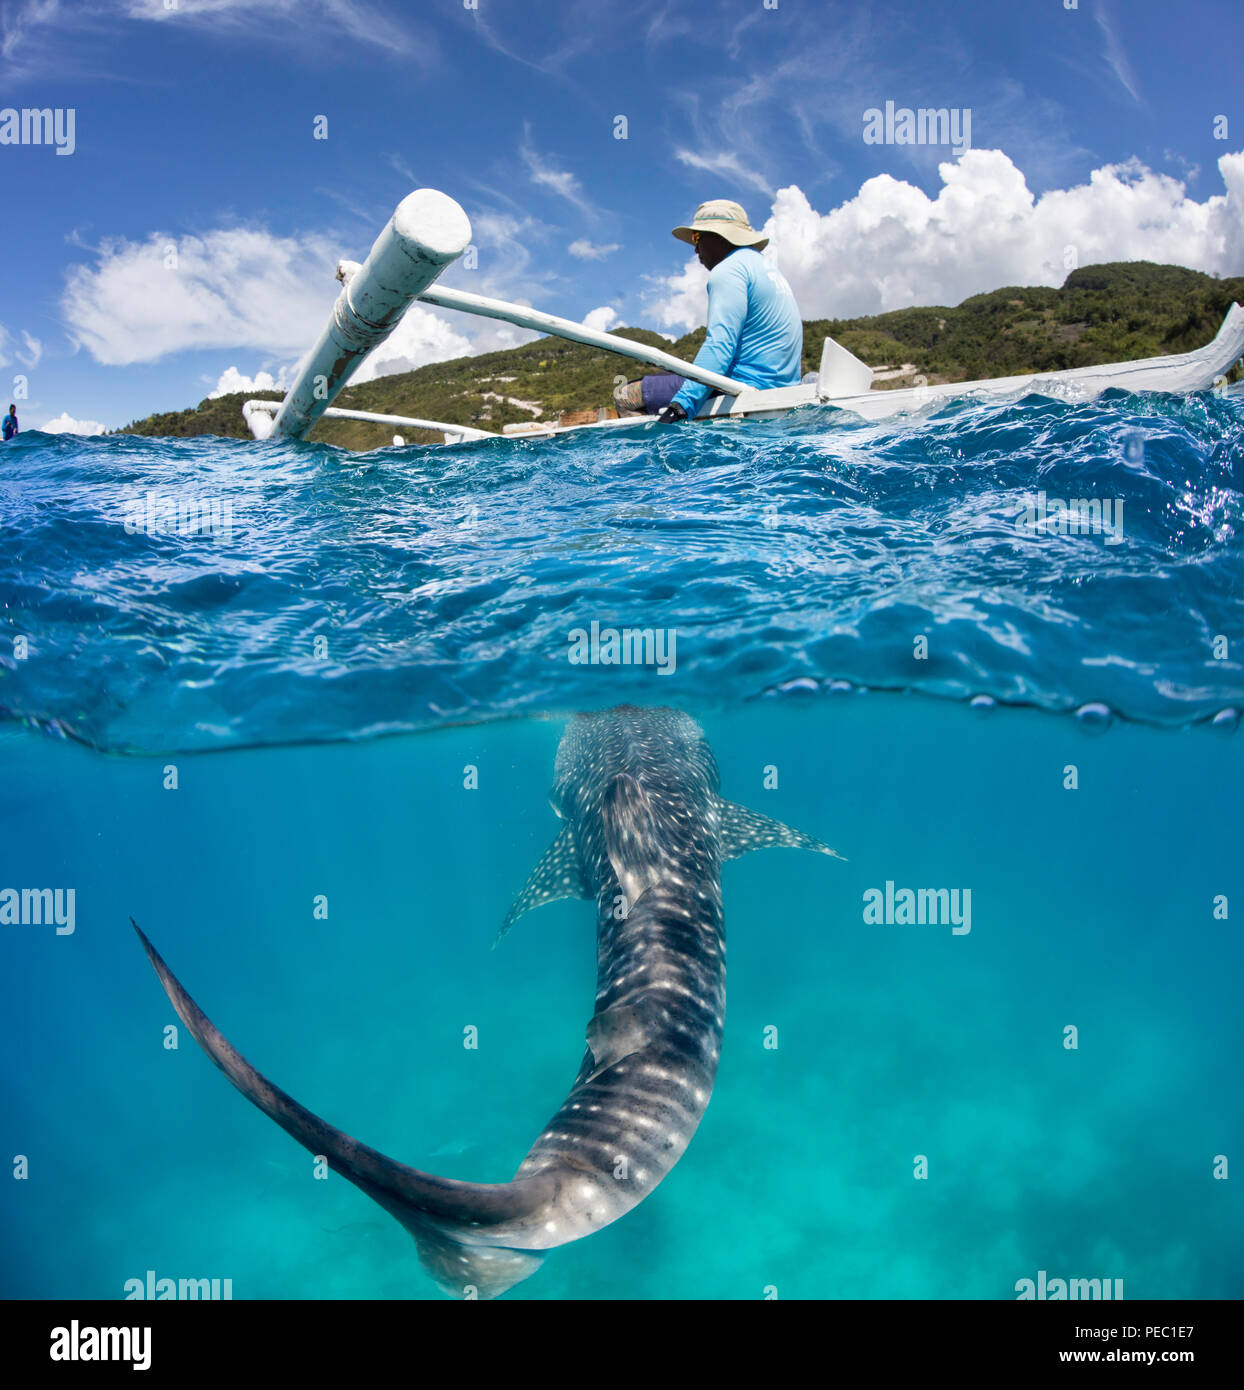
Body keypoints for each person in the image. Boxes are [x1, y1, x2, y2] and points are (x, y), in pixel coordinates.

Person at [613, 199, 803, 424]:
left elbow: (720, 345)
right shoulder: (769, 270)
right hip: (783, 388)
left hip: (742, 384)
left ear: (719, 236)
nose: (695, 249)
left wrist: (680, 406)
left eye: (697, 237)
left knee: (624, 395)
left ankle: (662, 457)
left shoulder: (728, 271)